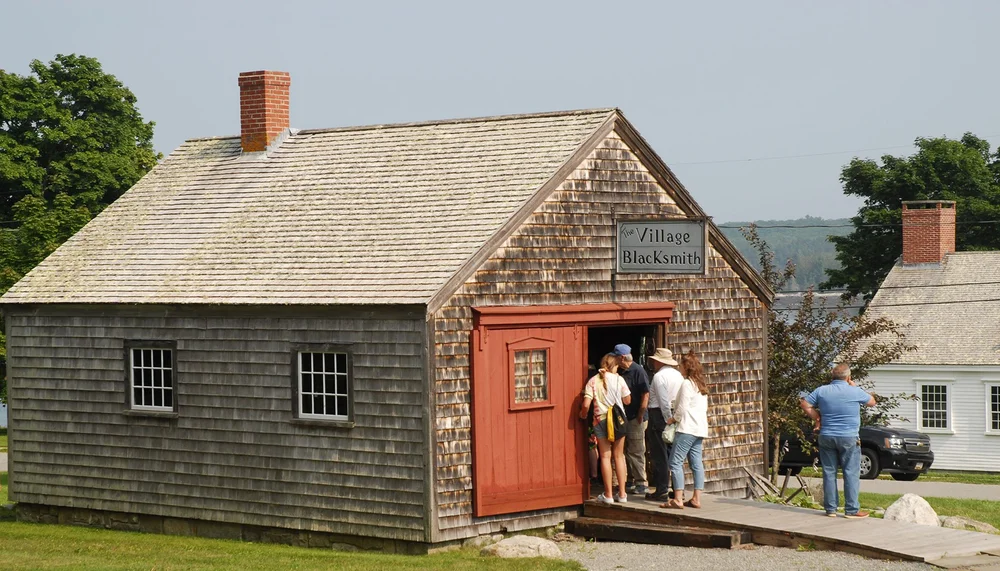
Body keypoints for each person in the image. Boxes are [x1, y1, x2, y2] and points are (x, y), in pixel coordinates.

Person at [800, 363, 877, 519]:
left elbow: (805, 403)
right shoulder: (854, 391)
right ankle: (851, 510)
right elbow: (872, 402)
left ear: (832, 376)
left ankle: (831, 509)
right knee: (850, 473)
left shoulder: (821, 391)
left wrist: (817, 417)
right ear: (848, 377)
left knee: (829, 472)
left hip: (827, 436)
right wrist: (854, 386)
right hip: (849, 438)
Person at [580, 353, 632, 504]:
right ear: (613, 365)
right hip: (618, 421)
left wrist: (583, 415)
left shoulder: (593, 381)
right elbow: (627, 401)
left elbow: (585, 405)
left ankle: (608, 495)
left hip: (601, 420)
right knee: (619, 456)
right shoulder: (619, 379)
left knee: (605, 457)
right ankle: (622, 494)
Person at [662, 350, 709, 510]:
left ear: (686, 367)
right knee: (696, 463)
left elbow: (682, 408)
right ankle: (696, 498)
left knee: (675, 462)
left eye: (681, 365)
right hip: (700, 428)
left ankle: (677, 499)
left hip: (687, 427)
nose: (679, 368)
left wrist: (673, 419)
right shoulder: (700, 385)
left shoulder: (687, 383)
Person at [644, 347, 684, 500]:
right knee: (673, 453)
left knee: (659, 453)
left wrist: (668, 418)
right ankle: (677, 488)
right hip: (675, 413)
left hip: (660, 415)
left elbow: (663, 401)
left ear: (658, 362)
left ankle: (661, 490)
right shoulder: (678, 376)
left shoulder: (659, 376)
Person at [613, 343, 649, 495]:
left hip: (636, 417)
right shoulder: (622, 371)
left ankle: (641, 482)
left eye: (615, 357)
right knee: (627, 450)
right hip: (625, 417)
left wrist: (640, 414)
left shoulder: (638, 371)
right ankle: (630, 480)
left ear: (621, 358)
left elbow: (645, 394)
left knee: (636, 450)